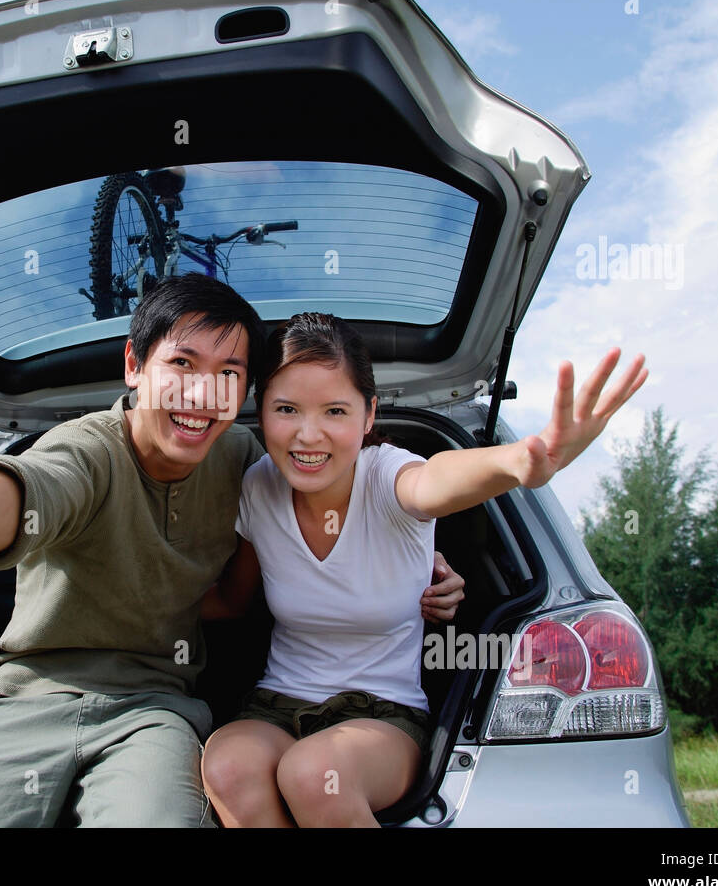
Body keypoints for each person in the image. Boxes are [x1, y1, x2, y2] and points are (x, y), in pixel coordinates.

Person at [0, 274, 467, 827]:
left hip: (156, 707)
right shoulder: (84, 449)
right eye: (182, 363)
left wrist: (418, 570)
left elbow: (351, 490)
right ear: (134, 366)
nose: (203, 393)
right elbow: (21, 496)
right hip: (23, 696)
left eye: (229, 376)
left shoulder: (249, 460)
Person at [200, 312, 648, 827]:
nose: (308, 434)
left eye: (334, 411)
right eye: (286, 409)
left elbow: (435, 480)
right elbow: (235, 598)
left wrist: (515, 462)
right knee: (227, 766)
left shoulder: (389, 473)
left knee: (314, 773)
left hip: (382, 716)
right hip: (277, 703)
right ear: (262, 411)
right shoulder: (258, 486)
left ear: (368, 415)